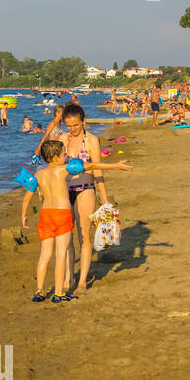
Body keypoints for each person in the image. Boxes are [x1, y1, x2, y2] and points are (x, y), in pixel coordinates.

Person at [20, 139, 133, 302]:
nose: (66, 156)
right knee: (60, 255)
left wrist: (24, 215)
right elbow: (92, 166)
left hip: (45, 216)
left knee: (44, 255)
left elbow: (27, 197)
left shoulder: (38, 175)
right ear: (55, 157)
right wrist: (116, 165)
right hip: (61, 215)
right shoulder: (63, 170)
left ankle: (39, 291)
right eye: (63, 154)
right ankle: (58, 293)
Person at [60, 103, 108, 293]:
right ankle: (67, 278)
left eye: (76, 125)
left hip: (86, 188)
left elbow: (98, 169)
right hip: (64, 190)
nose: (72, 129)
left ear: (83, 121)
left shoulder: (91, 141)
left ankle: (81, 282)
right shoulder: (62, 139)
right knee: (66, 237)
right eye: (69, 126)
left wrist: (104, 198)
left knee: (83, 235)